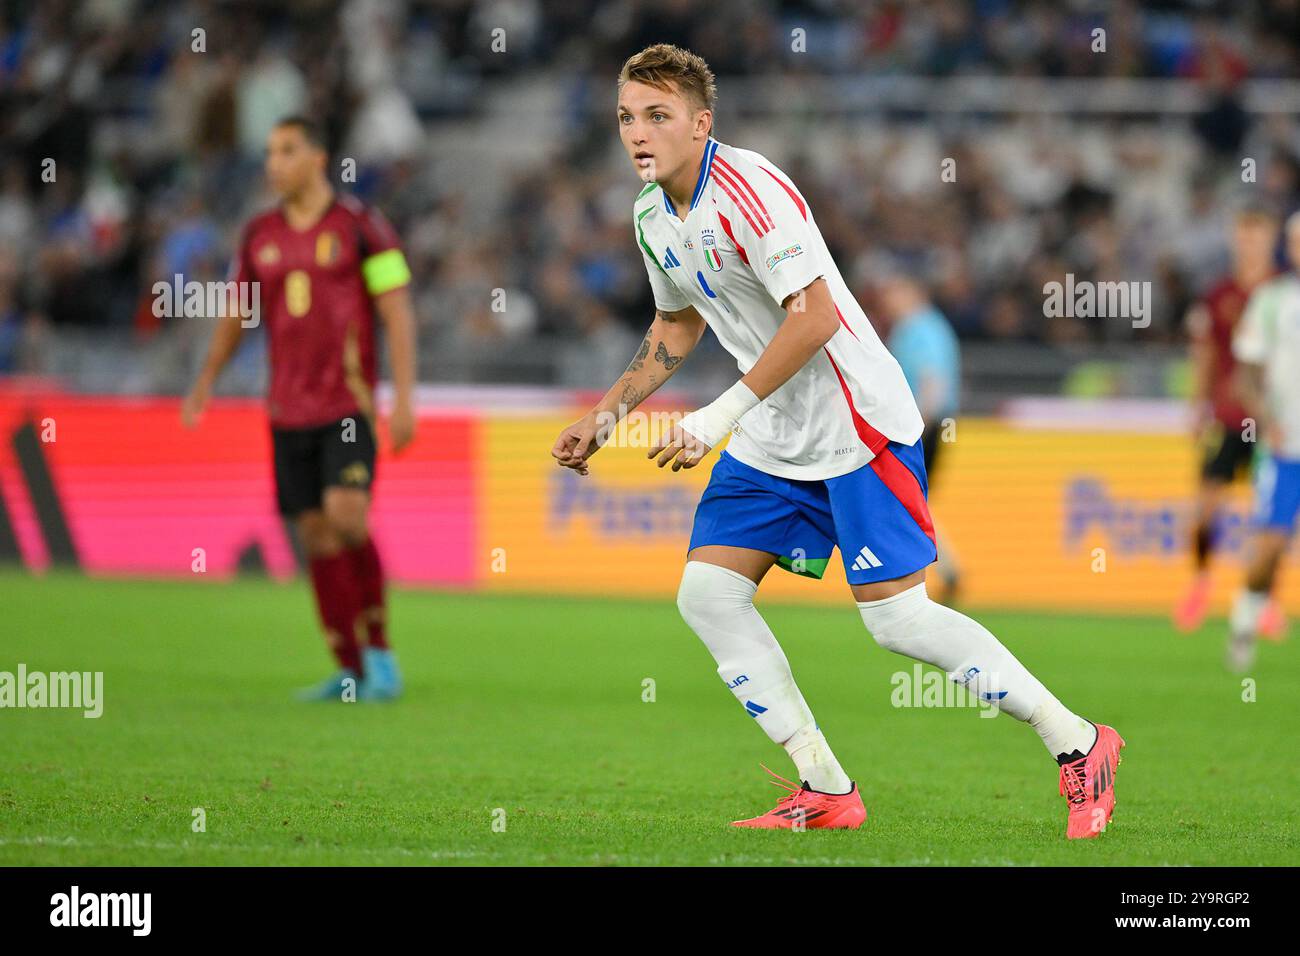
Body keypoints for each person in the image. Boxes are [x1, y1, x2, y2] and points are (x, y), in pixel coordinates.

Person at [550, 45, 1123, 838]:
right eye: (625, 117)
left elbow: (814, 318)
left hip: (855, 424)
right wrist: (605, 415)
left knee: (899, 623)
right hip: (773, 431)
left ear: (700, 123)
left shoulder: (752, 191)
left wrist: (714, 420)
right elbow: (677, 325)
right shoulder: (652, 218)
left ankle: (1080, 742)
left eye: (657, 116)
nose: (637, 133)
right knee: (707, 596)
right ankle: (825, 786)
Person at [182, 116, 417, 701]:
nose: (273, 163)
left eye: (286, 151)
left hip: (347, 403)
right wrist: (206, 378)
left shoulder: (362, 226)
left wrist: (406, 398)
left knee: (347, 516)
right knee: (314, 535)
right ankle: (349, 668)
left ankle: (381, 652)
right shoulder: (258, 233)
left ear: (318, 158)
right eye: (268, 152)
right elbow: (239, 312)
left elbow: (396, 311)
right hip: (286, 409)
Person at [1176, 205, 1282, 635]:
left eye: (1257, 235)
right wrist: (1196, 405)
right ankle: (1200, 582)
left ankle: (1264, 601)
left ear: (1270, 239)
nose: (1249, 243)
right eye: (1243, 234)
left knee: (1270, 519)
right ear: (1234, 239)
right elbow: (1203, 354)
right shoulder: (1218, 295)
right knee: (1204, 511)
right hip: (1225, 417)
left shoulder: (1283, 293)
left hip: (1273, 421)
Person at [1225, 210, 1300, 671]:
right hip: (1286, 449)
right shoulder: (1272, 301)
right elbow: (1245, 377)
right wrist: (1266, 418)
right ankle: (1246, 618)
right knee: (1270, 547)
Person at [878, 273, 963, 601]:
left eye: (893, 292)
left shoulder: (918, 329)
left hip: (922, 425)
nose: (888, 301)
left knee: (904, 500)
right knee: (909, 501)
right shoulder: (932, 327)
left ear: (911, 292)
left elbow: (932, 381)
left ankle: (916, 575)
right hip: (936, 423)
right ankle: (944, 569)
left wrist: (916, 429)